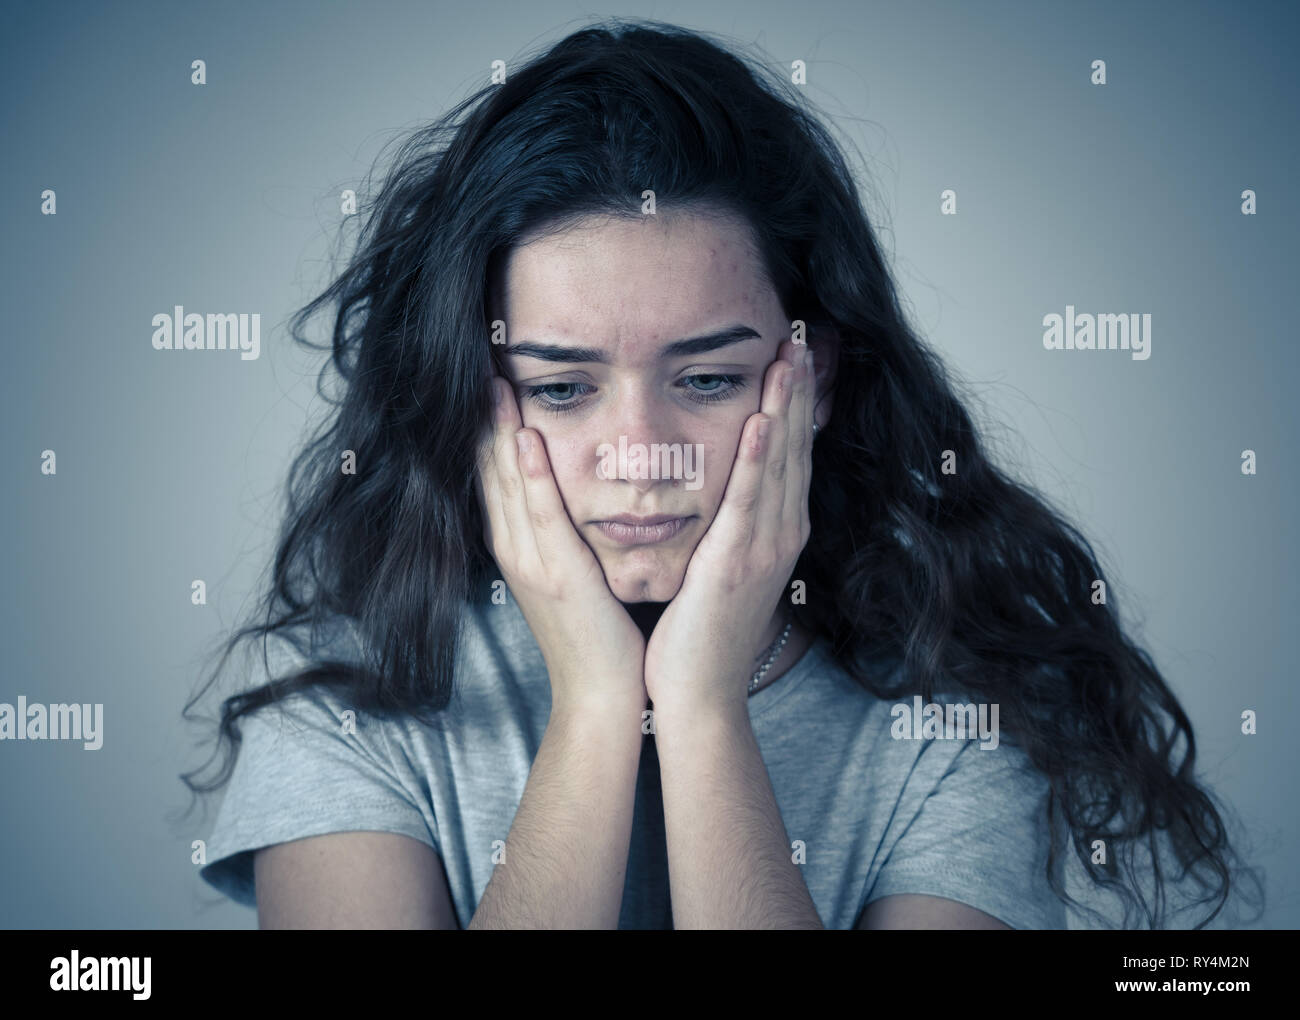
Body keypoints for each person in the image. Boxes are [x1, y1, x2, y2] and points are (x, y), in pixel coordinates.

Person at [180, 18, 1260, 929]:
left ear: (811, 375)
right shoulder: (343, 705)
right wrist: (600, 705)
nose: (640, 452)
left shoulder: (956, 730)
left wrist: (699, 709)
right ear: (471, 392)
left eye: (704, 379)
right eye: (561, 389)